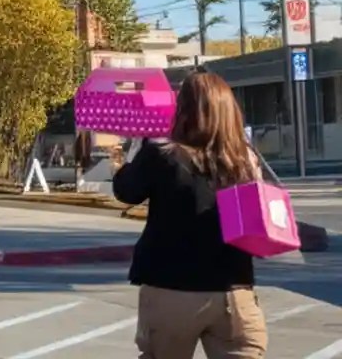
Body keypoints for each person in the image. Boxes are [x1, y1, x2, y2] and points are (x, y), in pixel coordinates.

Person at [113, 71, 267, 359]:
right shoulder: (244, 160)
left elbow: (126, 191)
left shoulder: (162, 153)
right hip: (233, 292)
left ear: (183, 109)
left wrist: (137, 146)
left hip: (171, 289)